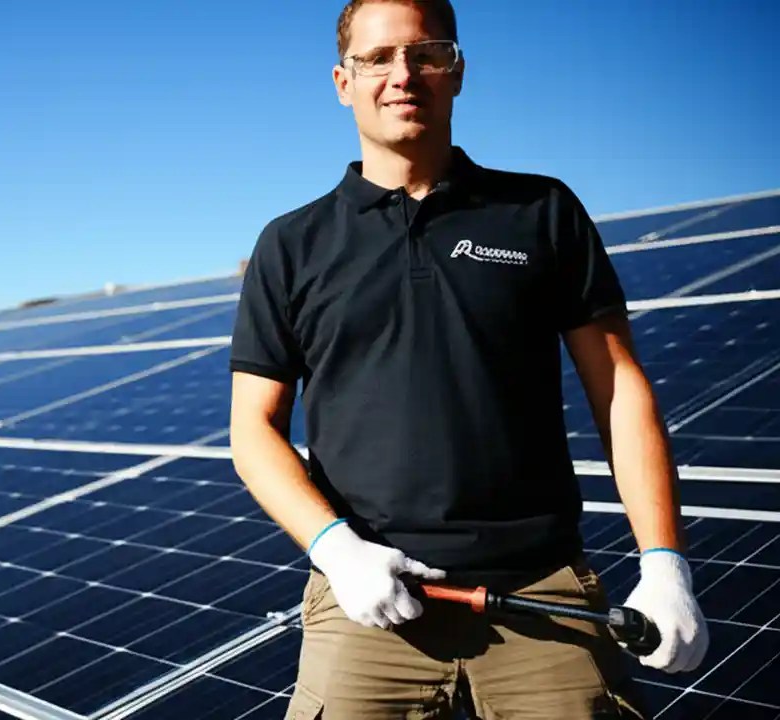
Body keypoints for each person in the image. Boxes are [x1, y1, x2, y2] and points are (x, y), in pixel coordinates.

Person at [226, 1, 710, 717]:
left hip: (542, 595)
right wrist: (336, 550)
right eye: (377, 58)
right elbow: (252, 430)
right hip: (366, 605)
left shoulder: (542, 212)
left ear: (456, 71)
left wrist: (665, 564)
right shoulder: (291, 245)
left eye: (426, 54)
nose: (402, 75)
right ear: (342, 81)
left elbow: (619, 390)